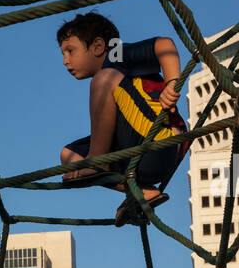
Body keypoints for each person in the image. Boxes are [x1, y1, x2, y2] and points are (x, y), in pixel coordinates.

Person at [56, 11, 189, 226]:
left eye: (70, 51)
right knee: (68, 156)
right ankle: (139, 191)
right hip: (137, 159)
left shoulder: (115, 56)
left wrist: (172, 83)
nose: (65, 61)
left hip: (158, 143)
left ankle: (97, 162)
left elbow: (164, 45)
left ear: (98, 46)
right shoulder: (112, 80)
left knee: (105, 78)